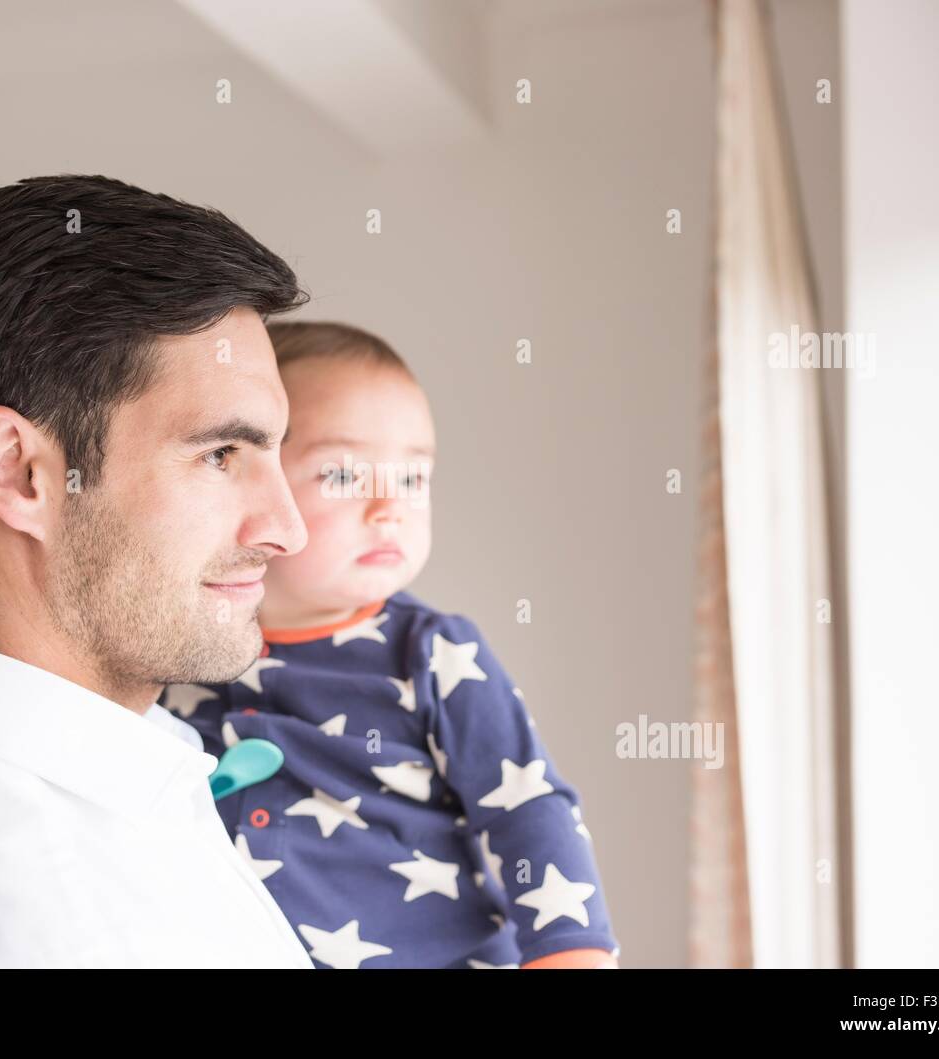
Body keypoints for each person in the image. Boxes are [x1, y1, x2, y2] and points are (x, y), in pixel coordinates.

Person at [0, 175, 314, 968]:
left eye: (273, 454)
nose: (289, 529)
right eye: (221, 453)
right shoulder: (32, 921)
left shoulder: (117, 775)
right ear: (18, 473)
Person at [156, 322, 621, 968]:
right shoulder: (187, 646)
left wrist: (571, 952)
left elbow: (526, 805)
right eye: (343, 474)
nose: (388, 508)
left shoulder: (431, 652)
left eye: (412, 479)